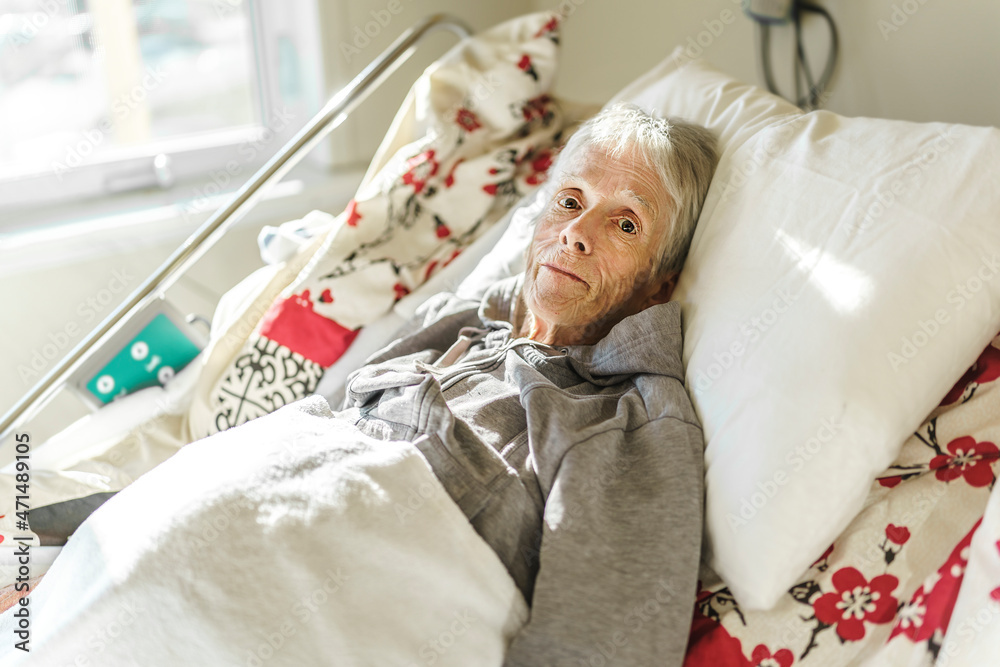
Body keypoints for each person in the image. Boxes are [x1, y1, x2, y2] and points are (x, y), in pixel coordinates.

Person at [336, 102, 718, 666]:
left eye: (625, 223)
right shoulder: (457, 320)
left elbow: (604, 646)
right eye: (569, 202)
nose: (575, 234)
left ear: (660, 285)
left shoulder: (626, 421)